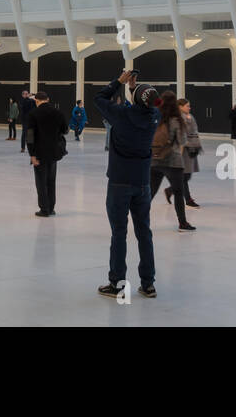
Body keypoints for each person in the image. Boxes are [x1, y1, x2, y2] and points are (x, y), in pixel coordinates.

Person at [93, 70, 160, 299]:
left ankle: (117, 284)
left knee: (119, 233)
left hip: (120, 182)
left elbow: (99, 98)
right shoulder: (154, 117)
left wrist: (120, 82)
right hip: (142, 183)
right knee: (145, 233)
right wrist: (135, 90)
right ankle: (148, 284)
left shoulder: (121, 115)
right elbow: (149, 104)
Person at [150, 91, 193, 232]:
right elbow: (182, 141)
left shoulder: (155, 117)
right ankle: (182, 223)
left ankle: (140, 218)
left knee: (150, 192)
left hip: (155, 160)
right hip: (173, 161)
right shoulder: (176, 120)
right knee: (178, 193)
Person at [23, 91, 67, 217]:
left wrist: (31, 154)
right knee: (51, 181)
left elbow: (30, 136)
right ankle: (51, 207)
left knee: (41, 181)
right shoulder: (58, 112)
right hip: (54, 152)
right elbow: (65, 130)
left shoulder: (33, 114)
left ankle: (44, 209)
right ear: (47, 99)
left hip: (39, 153)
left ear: (36, 101)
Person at [168, 98, 201, 208]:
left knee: (187, 176)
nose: (189, 107)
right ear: (180, 107)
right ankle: (188, 199)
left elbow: (195, 131)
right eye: (187, 106)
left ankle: (170, 190)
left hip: (191, 149)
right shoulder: (177, 119)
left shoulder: (190, 117)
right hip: (182, 150)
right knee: (183, 176)